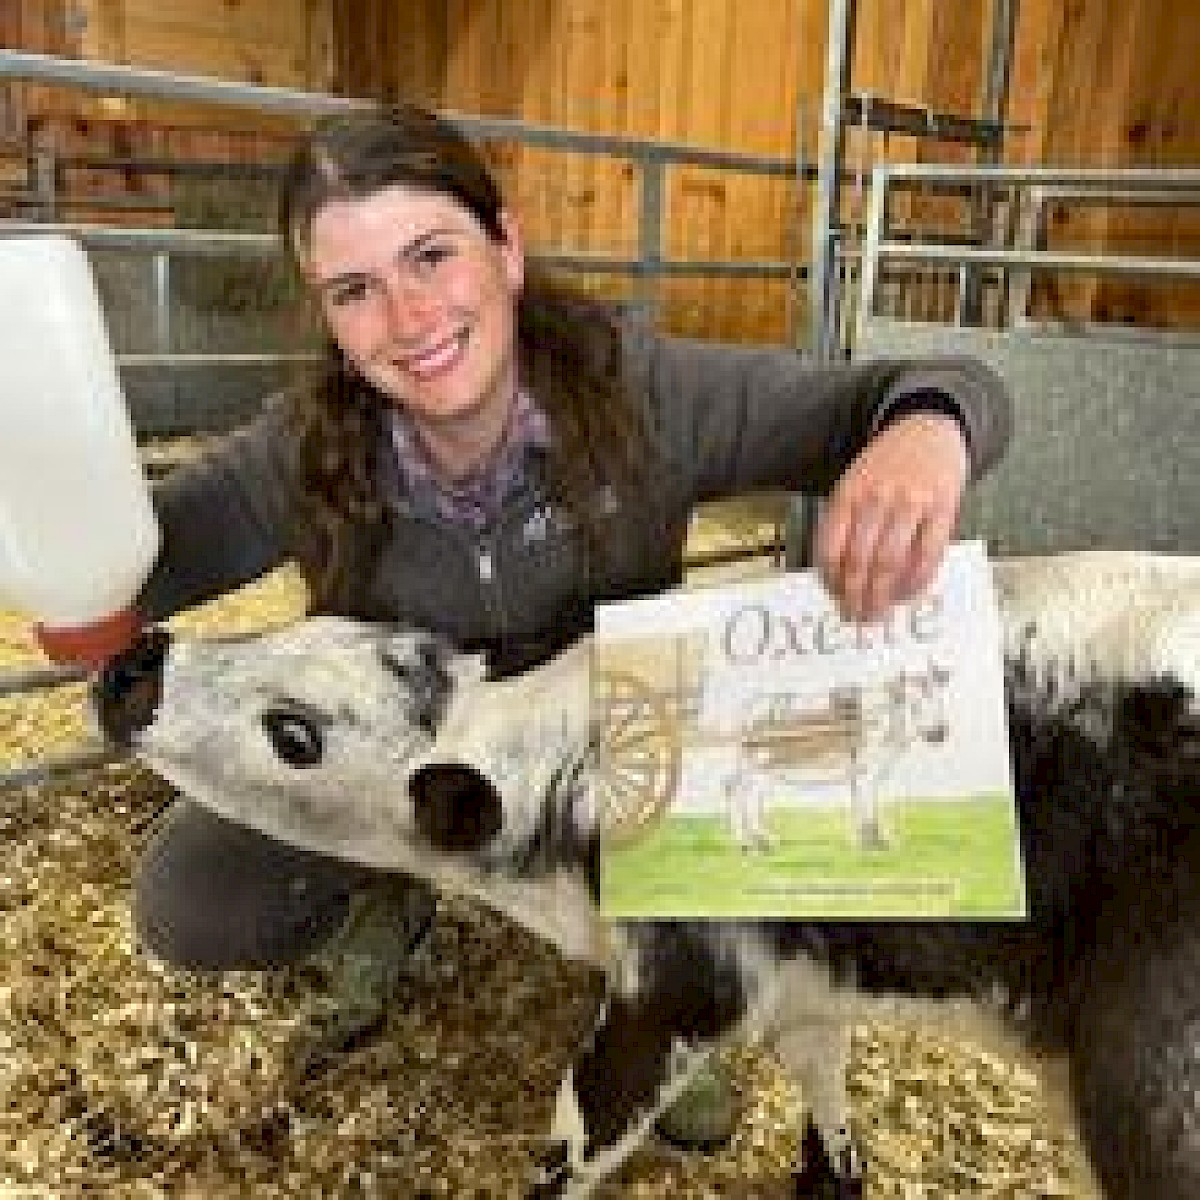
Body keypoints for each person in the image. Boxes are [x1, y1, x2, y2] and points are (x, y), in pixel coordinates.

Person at [36, 103, 1011, 1141]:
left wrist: (925, 432)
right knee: (195, 906)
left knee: (694, 822)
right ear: (329, 318)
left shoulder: (643, 393)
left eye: (432, 256)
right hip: (405, 767)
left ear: (506, 249)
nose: (408, 319)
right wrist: (77, 579)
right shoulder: (307, 449)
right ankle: (399, 888)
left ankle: (657, 986)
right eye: (356, 291)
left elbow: (942, 387)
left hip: (610, 759)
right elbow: (136, 565)